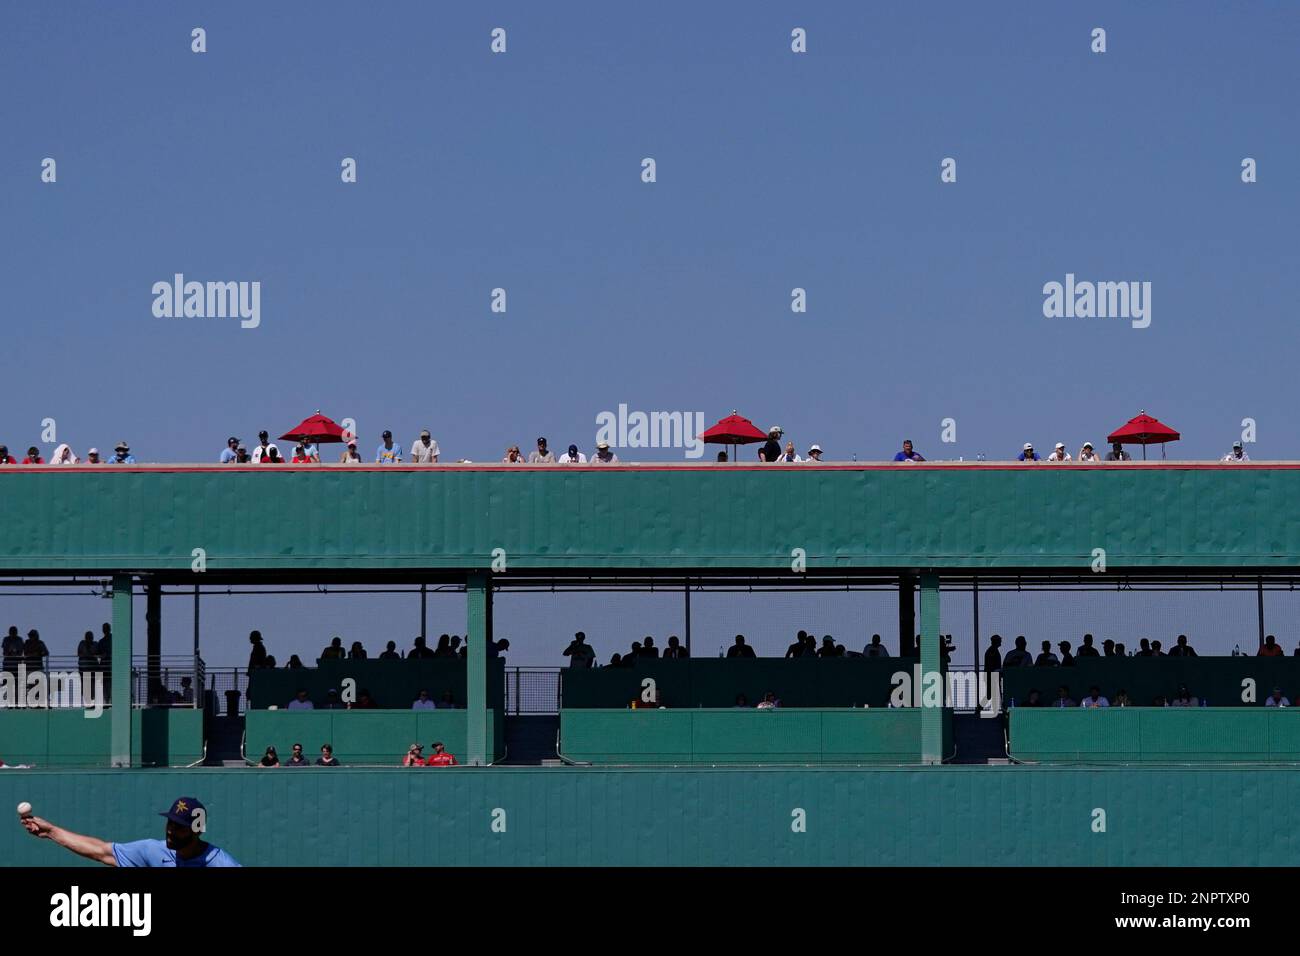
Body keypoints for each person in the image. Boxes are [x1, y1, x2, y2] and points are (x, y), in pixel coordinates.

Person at [22, 796, 239, 867]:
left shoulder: (222, 864)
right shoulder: (154, 851)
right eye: (170, 823)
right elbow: (101, 851)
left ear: (197, 831)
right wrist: (50, 831)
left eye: (179, 827)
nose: (171, 831)